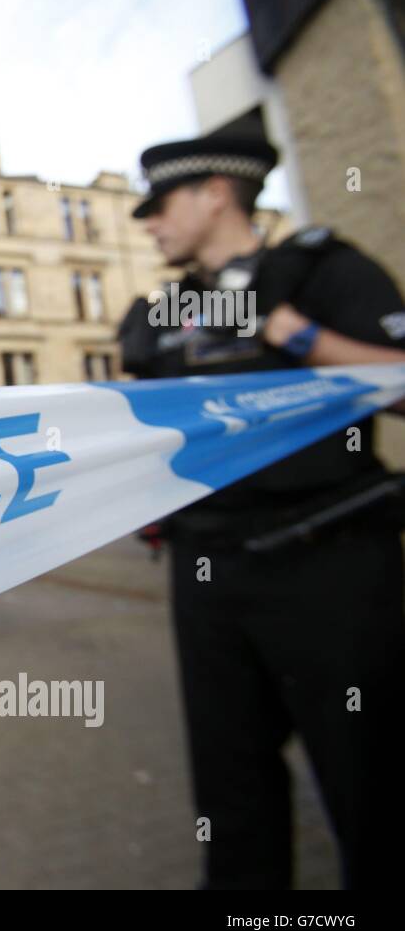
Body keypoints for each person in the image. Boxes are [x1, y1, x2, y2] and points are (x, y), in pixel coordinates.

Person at [118, 133, 405, 889]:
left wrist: (291, 332)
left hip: (329, 563)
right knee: (230, 788)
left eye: (161, 205)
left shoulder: (319, 270)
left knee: (365, 773)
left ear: (216, 192)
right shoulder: (162, 311)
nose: (148, 224)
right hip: (208, 574)